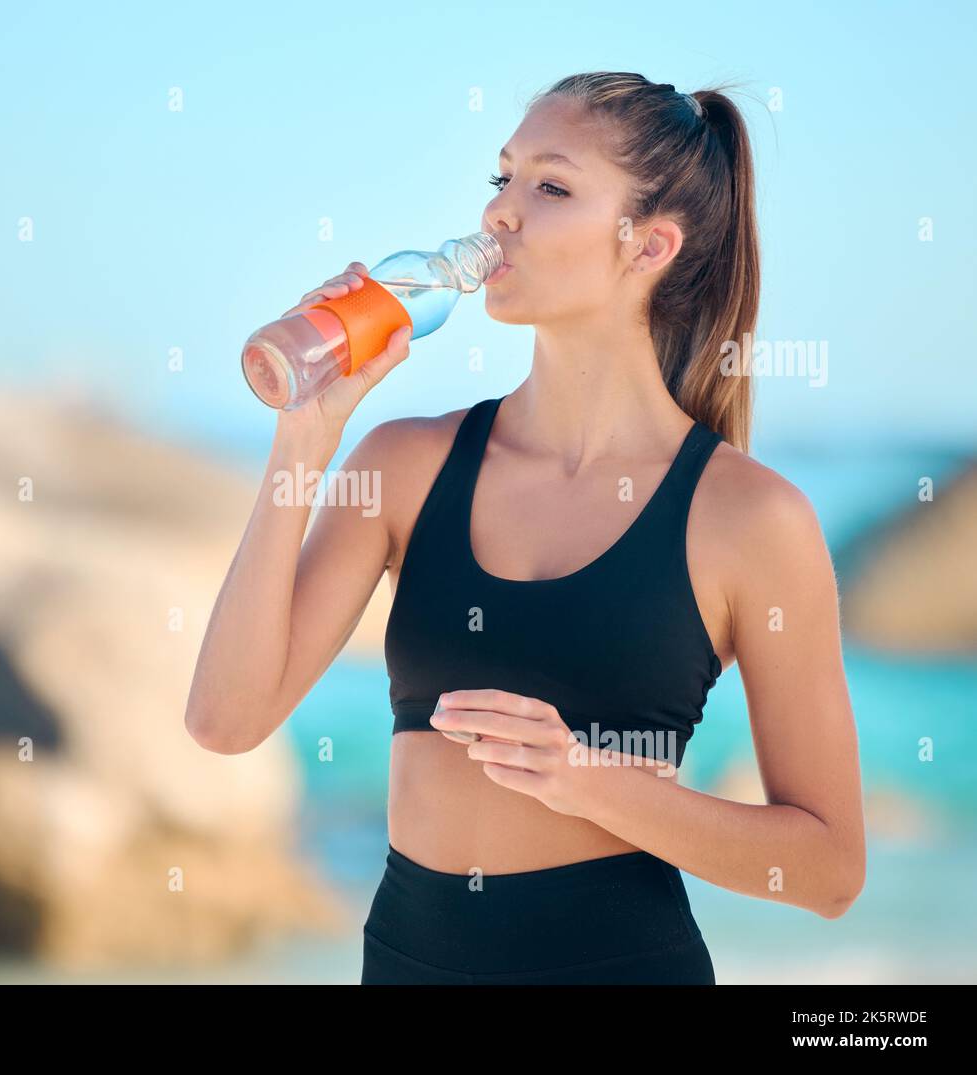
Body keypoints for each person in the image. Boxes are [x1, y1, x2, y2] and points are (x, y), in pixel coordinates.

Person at [185, 71, 865, 985]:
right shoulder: (404, 465)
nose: (501, 213)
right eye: (500, 179)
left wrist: (583, 776)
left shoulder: (751, 518)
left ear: (649, 245)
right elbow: (225, 720)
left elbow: (826, 869)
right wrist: (305, 433)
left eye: (550, 186)